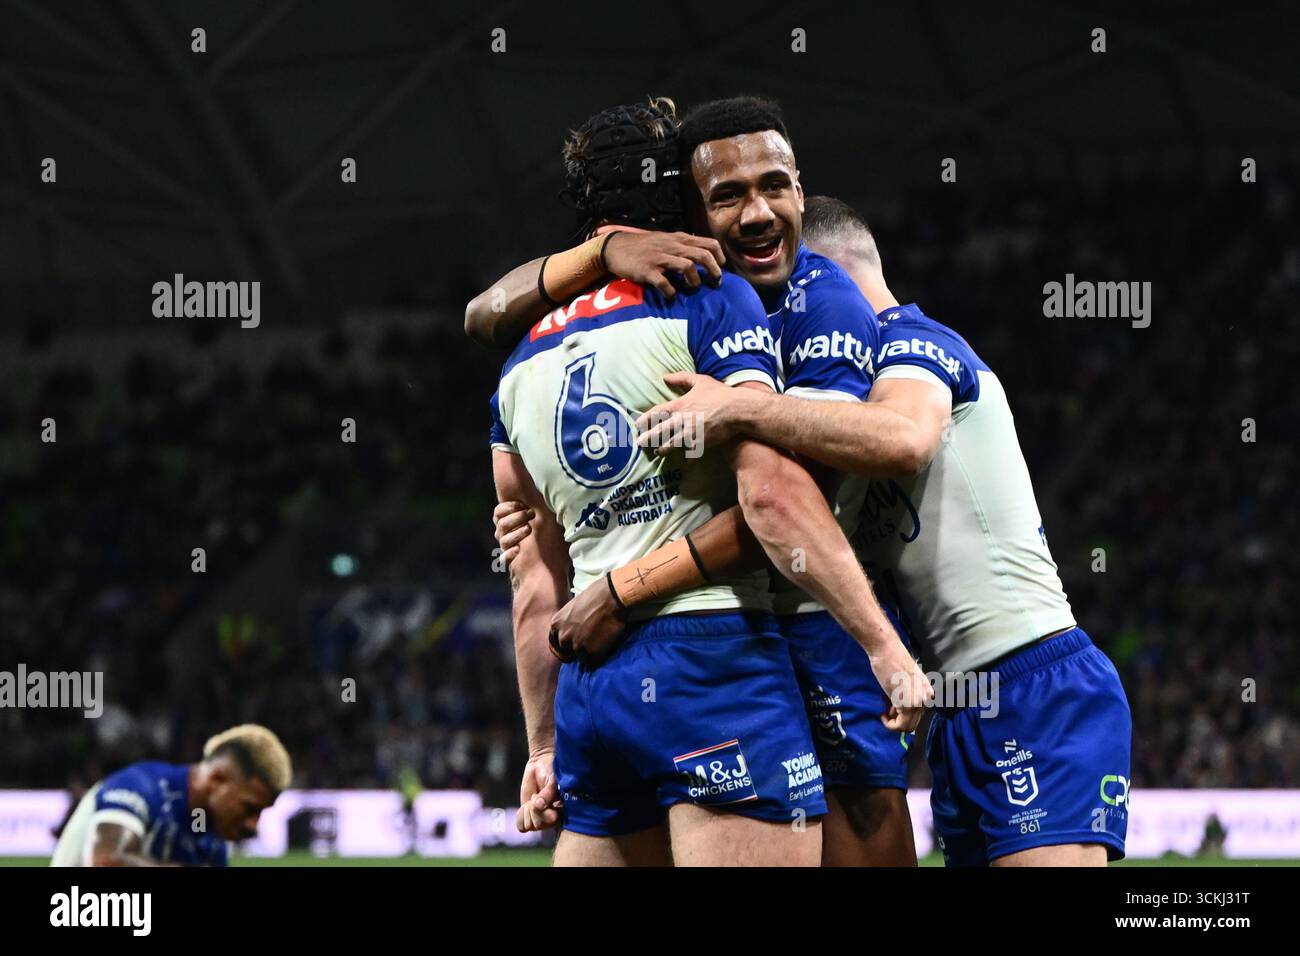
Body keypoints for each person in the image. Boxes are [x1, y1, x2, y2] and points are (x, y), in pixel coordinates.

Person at [476, 97, 924, 866]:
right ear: (680, 207)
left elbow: (533, 583)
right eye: (724, 196)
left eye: (774, 188)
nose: (755, 214)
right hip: (722, 652)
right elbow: (778, 502)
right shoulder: (711, 299)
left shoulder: (519, 362)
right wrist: (886, 646)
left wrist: (544, 742)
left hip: (602, 674)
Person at [50, 723, 291, 866]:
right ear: (217, 780)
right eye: (249, 808)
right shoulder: (140, 788)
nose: (253, 825)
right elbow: (104, 862)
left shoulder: (205, 828)